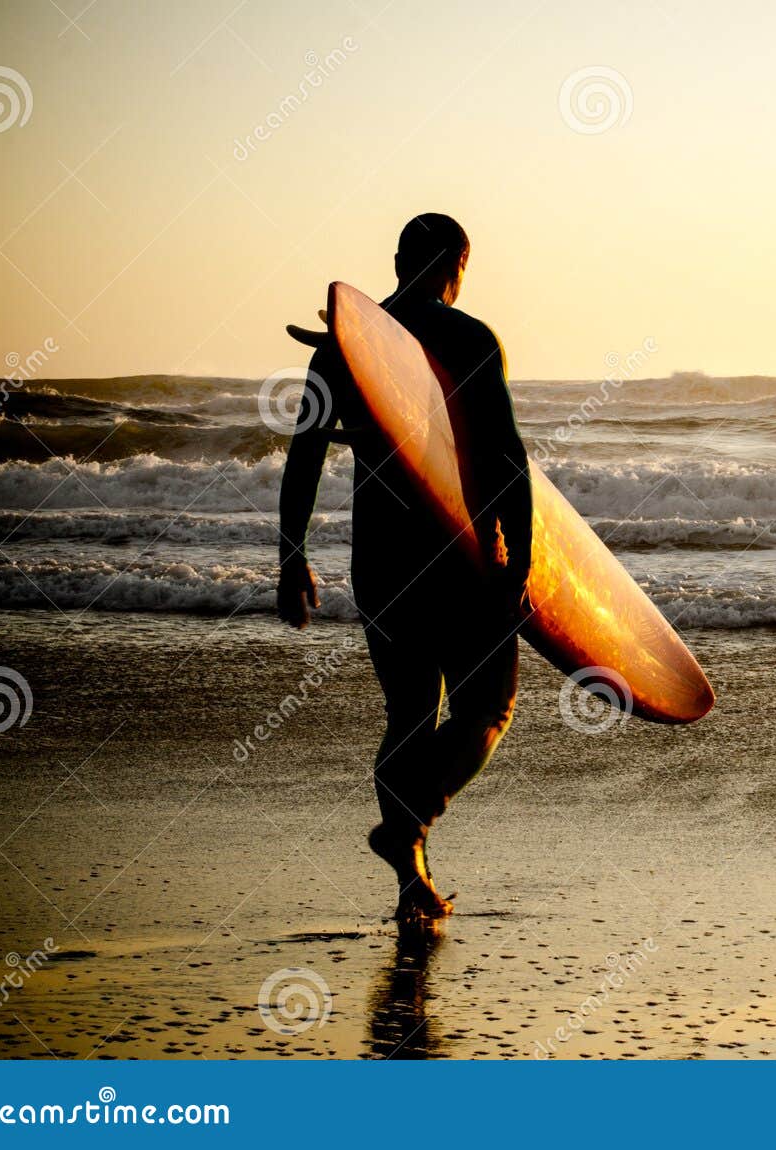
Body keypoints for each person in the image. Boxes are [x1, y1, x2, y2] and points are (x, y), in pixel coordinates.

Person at [276, 213, 532, 922]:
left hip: (382, 557)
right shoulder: (470, 337)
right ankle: (409, 824)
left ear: (395, 260)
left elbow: (305, 453)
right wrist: (523, 561)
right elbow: (507, 456)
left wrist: (291, 553)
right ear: (458, 264)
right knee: (488, 707)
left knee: (408, 714)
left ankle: (410, 879)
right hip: (465, 558)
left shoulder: (341, 350)